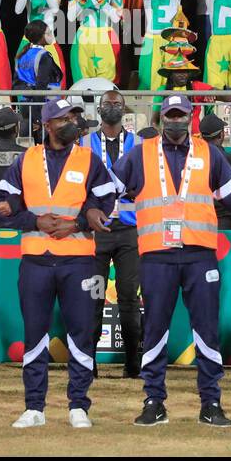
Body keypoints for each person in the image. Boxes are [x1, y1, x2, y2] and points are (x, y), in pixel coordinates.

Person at [112, 94, 231, 426]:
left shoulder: (210, 155)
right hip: (156, 257)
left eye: (181, 114)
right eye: (170, 115)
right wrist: (88, 215)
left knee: (207, 330)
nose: (176, 120)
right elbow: (107, 190)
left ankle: (211, 403)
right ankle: (154, 400)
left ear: (191, 117)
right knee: (155, 329)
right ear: (161, 119)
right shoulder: (139, 155)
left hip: (199, 255)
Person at [0, 98, 115, 428]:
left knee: (82, 334)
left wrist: (79, 223)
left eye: (75, 116)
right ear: (47, 125)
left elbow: (106, 199)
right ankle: (34, 407)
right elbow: (0, 203)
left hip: (78, 261)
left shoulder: (89, 159)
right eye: (65, 118)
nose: (73, 122)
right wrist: (32, 221)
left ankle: (79, 406)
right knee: (35, 335)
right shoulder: (26, 160)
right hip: (35, 260)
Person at [84, 90, 141, 377]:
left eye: (116, 104)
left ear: (124, 109)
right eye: (107, 104)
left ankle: (133, 366)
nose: (112, 108)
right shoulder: (84, 143)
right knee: (92, 298)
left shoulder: (139, 144)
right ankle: (88, 365)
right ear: (99, 109)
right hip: (97, 231)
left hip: (129, 230)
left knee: (129, 298)